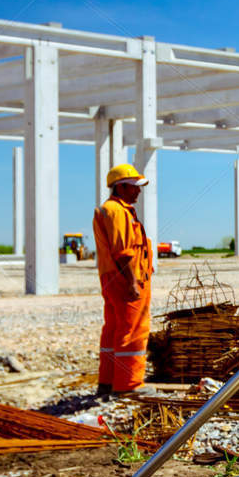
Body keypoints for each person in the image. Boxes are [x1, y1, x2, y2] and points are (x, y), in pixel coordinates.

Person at [92, 163, 155, 398]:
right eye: (134, 187)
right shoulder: (117, 211)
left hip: (111, 278)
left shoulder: (111, 209)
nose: (138, 191)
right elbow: (123, 251)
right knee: (133, 329)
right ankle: (128, 385)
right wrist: (132, 283)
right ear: (121, 187)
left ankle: (107, 383)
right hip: (126, 278)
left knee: (114, 330)